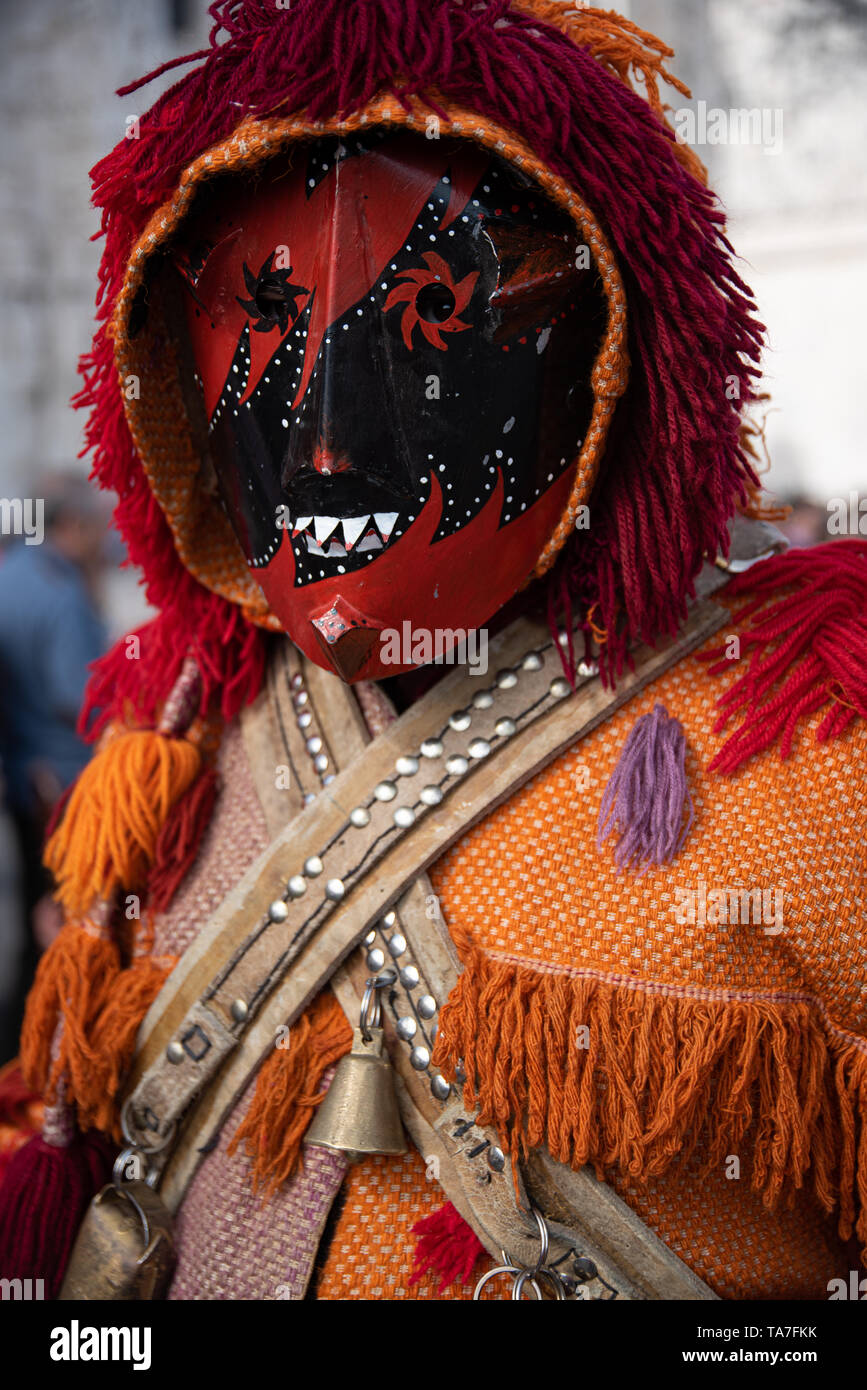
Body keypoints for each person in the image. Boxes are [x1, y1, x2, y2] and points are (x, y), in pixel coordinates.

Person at [0, 1, 864, 1302]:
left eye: (429, 330)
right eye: (264, 330)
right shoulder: (166, 750)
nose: (328, 447)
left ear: (615, 362)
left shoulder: (817, 742)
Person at [0, 473, 107, 1060]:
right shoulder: (59, 591)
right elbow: (79, 697)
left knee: (32, 920)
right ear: (70, 525)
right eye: (94, 527)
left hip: (24, 777)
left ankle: (20, 1044)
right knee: (66, 923)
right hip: (62, 784)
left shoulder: (11, 574)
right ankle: (48, 1052)